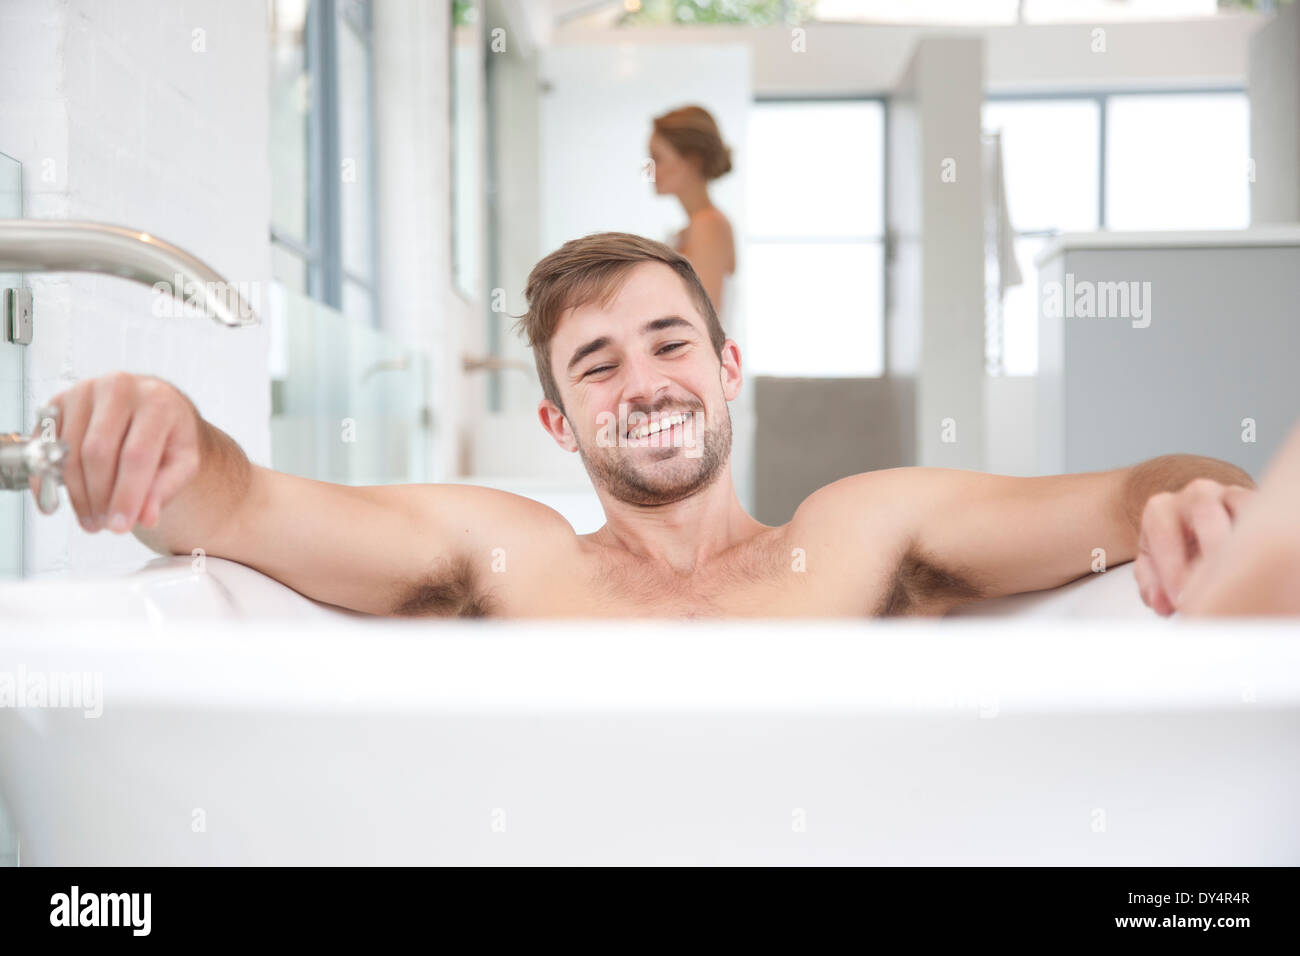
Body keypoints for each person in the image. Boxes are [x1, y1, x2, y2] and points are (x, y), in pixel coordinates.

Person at [41, 232, 1268, 619]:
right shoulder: (509, 555)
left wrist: (1199, 497)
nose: (644, 381)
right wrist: (169, 445)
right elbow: (245, 505)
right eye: (597, 363)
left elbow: (1132, 492)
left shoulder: (861, 533)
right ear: (558, 422)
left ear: (727, 369)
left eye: (671, 343)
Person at [649, 105, 735, 318]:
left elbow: (706, 317)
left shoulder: (709, 225)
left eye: (657, 158)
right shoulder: (690, 229)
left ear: (692, 161)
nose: (648, 170)